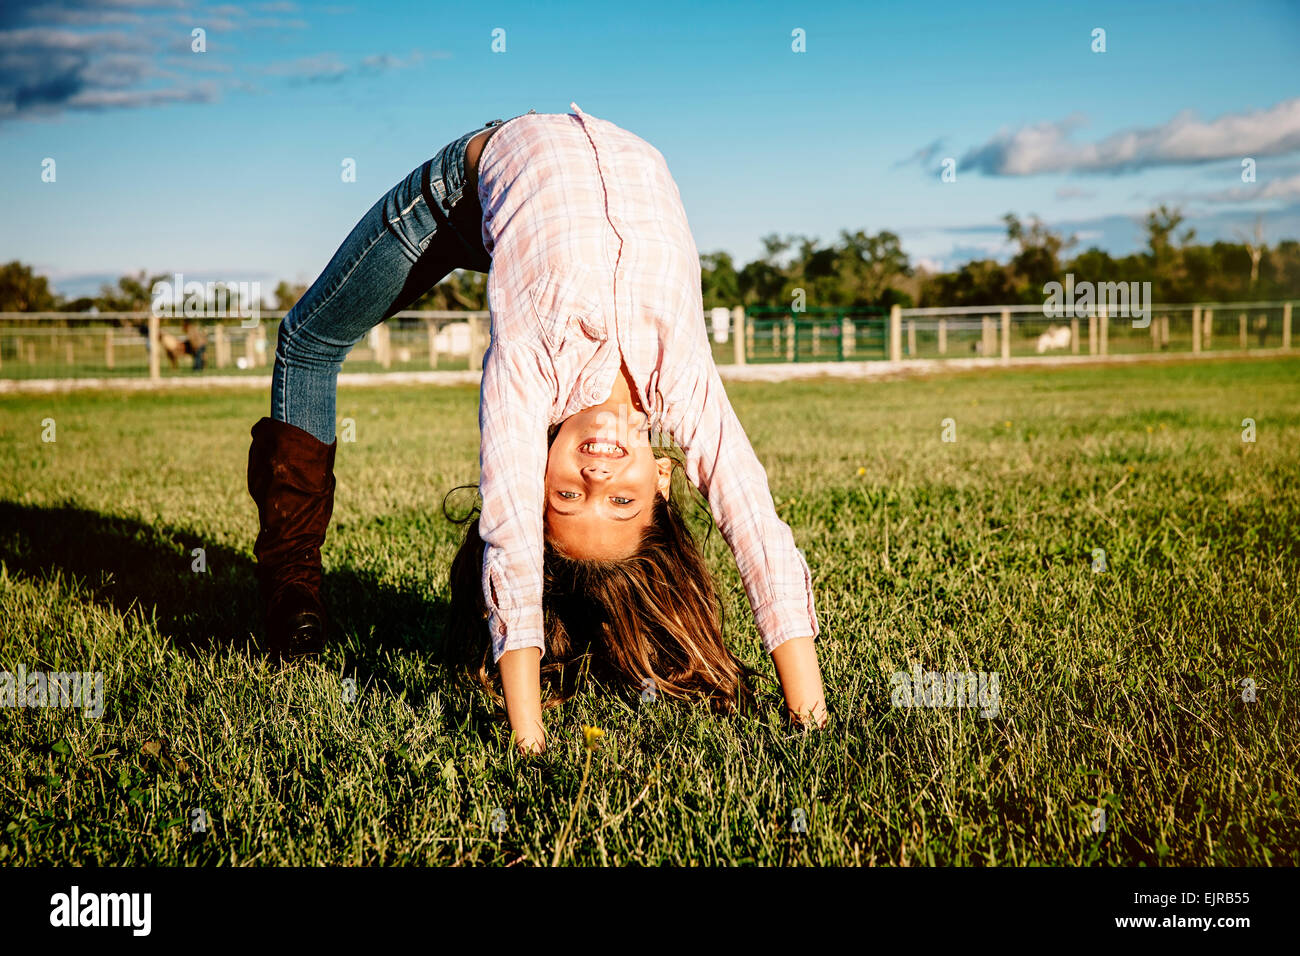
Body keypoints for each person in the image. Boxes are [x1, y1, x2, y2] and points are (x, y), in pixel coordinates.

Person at [247, 103, 827, 754]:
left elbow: (510, 537)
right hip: (530, 185)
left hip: (462, 196)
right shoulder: (683, 381)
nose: (598, 476)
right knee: (311, 336)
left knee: (308, 339)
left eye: (569, 496)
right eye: (621, 501)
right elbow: (757, 530)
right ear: (661, 480)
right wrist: (812, 717)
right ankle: (292, 581)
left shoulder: (530, 364)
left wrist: (528, 737)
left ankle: (290, 595)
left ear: (536, 474)